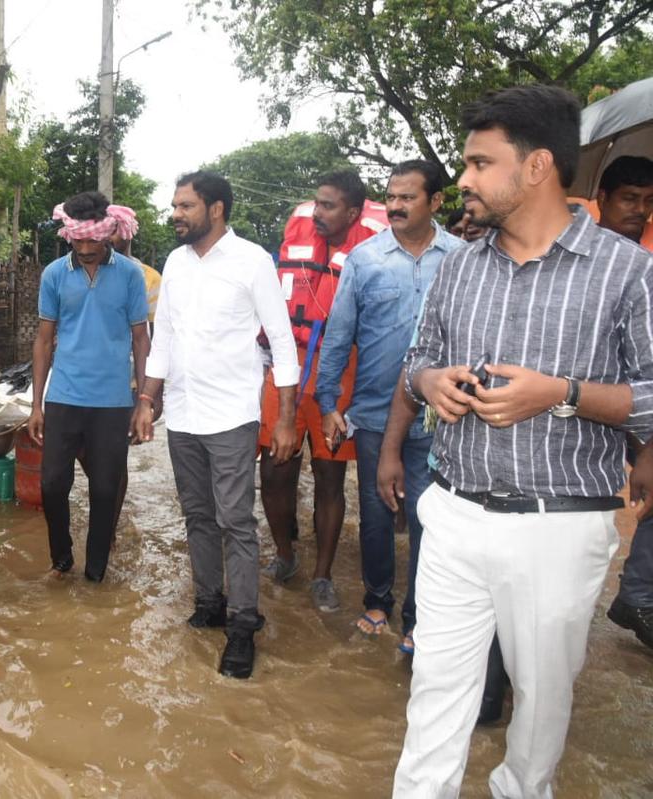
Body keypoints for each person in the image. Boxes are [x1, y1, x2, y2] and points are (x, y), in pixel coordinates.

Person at [394, 85, 653, 798]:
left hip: (560, 525)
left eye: (480, 163)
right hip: (452, 512)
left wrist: (560, 393)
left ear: (537, 166)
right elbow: (417, 360)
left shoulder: (627, 271)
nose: (465, 180)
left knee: (541, 708)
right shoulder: (459, 265)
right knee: (435, 691)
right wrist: (432, 380)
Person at [135, 171, 299, 679]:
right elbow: (163, 339)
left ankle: (244, 624)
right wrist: (147, 399)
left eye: (185, 206)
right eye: (175, 205)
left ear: (216, 208)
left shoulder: (252, 261)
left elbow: (282, 340)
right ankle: (209, 601)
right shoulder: (175, 265)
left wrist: (287, 419)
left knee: (236, 521)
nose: (176, 214)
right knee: (197, 515)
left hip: (232, 413)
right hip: (182, 413)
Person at [316, 160, 462, 652]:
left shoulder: (463, 259)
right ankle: (377, 601)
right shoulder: (364, 259)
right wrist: (328, 400)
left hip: (444, 414)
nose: (396, 206)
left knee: (431, 518)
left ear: (436, 202)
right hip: (376, 413)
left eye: (407, 197)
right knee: (379, 514)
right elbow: (339, 334)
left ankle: (420, 616)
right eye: (391, 197)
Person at [260, 171, 388, 613]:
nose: (317, 213)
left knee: (330, 478)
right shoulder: (299, 241)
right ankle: (285, 555)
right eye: (316, 203)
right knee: (274, 471)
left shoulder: (373, 255)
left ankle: (323, 575)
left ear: (353, 213)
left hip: (340, 374)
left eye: (329, 206)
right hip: (287, 369)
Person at [27, 193, 149, 583]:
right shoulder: (54, 274)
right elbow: (44, 340)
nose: (84, 249)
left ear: (109, 232)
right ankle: (61, 561)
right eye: (77, 240)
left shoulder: (130, 275)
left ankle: (96, 573)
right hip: (63, 395)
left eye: (92, 240)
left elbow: (140, 339)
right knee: (51, 484)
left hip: (113, 400)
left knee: (106, 488)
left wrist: (143, 399)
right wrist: (36, 404)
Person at [593, 155, 653, 651]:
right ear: (603, 201)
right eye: (630, 199)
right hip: (590, 409)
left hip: (638, 402)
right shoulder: (584, 258)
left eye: (649, 202)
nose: (640, 210)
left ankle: (635, 593)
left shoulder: (647, 260)